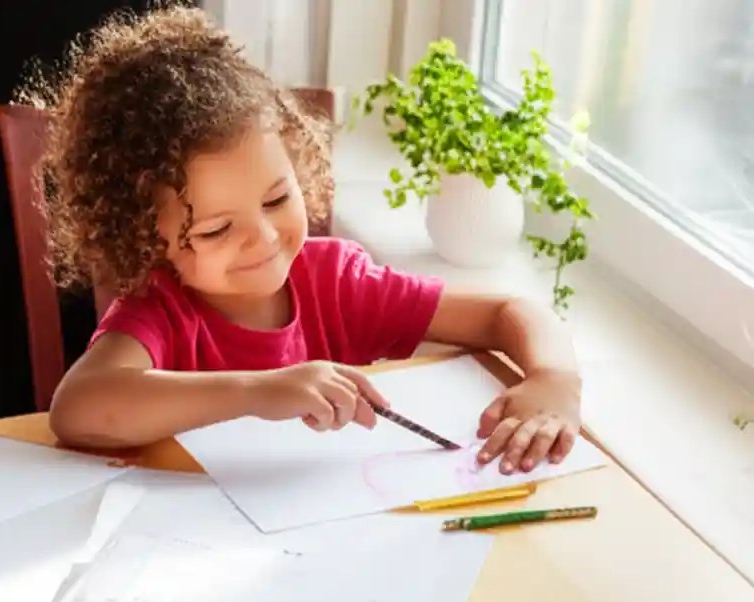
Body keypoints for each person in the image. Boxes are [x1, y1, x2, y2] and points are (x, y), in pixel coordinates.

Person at [37, 6, 583, 474]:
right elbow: (78, 411)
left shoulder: (336, 284)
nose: (264, 237)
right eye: (217, 229)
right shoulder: (160, 312)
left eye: (277, 199)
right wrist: (258, 391)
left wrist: (554, 379)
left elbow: (510, 310)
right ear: (143, 239)